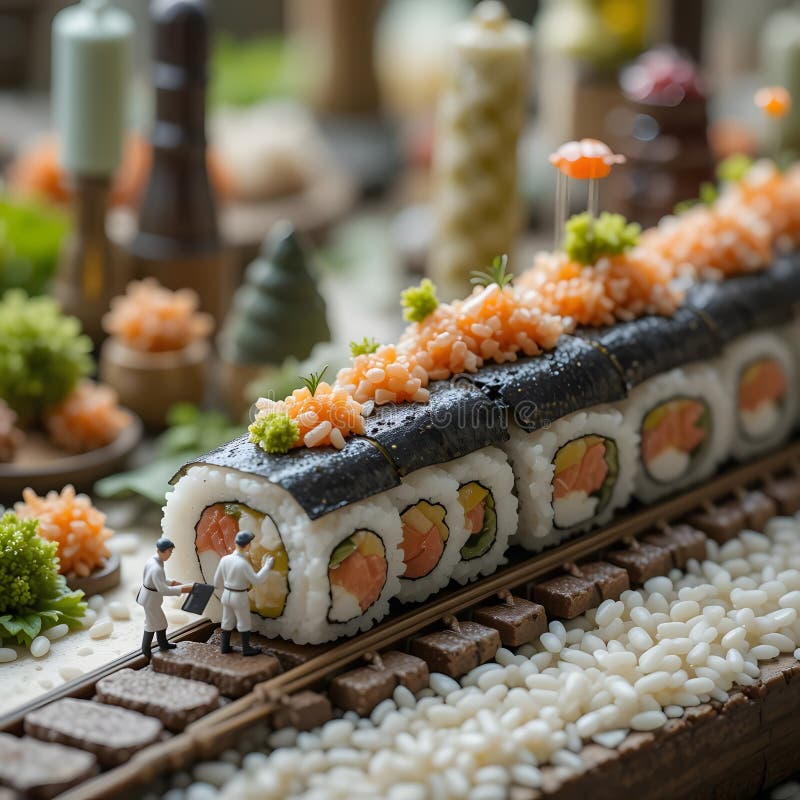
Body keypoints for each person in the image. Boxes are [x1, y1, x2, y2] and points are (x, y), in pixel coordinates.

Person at [213, 530, 274, 656]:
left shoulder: (225, 559)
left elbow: (216, 583)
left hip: (226, 594)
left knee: (227, 620)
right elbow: (257, 580)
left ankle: (224, 647)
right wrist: (267, 566)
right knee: (243, 622)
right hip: (239, 595)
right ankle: (246, 649)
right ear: (247, 545)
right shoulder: (243, 564)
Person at [137, 537, 191, 659]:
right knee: (151, 625)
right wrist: (183, 589)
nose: (170, 555)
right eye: (170, 552)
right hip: (150, 600)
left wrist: (171, 582)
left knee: (161, 623)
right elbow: (163, 590)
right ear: (162, 551)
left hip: (148, 597)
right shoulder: (157, 567)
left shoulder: (152, 560)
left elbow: (155, 580)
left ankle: (163, 644)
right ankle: (146, 650)